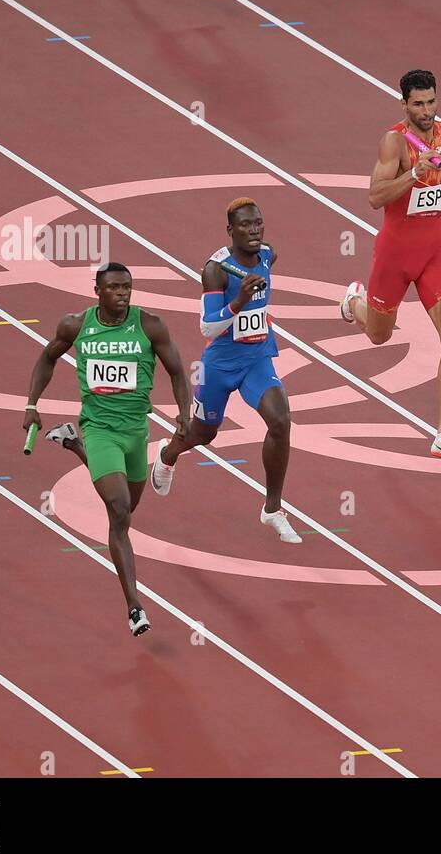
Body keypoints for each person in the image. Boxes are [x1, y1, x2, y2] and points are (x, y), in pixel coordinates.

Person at [23, 263, 191, 637]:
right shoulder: (76, 325)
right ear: (97, 290)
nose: (122, 294)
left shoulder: (149, 326)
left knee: (128, 508)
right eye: (114, 288)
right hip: (100, 429)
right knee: (117, 512)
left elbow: (178, 372)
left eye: (127, 287)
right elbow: (47, 357)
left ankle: (72, 444)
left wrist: (183, 413)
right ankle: (134, 605)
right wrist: (32, 404)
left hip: (136, 432)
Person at [148, 199, 303, 543]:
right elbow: (207, 328)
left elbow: (266, 260)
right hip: (219, 365)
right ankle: (168, 454)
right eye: (246, 226)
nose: (254, 231)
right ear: (231, 230)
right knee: (204, 434)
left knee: (280, 420)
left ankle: (272, 509)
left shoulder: (267, 255)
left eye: (259, 224)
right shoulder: (215, 270)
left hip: (257, 359)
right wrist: (239, 301)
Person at [339, 69, 441, 464]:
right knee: (379, 335)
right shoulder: (394, 142)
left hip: (434, 252)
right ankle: (354, 304)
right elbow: (375, 197)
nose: (427, 110)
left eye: (431, 101)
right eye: (418, 104)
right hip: (396, 255)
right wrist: (412, 174)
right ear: (404, 104)